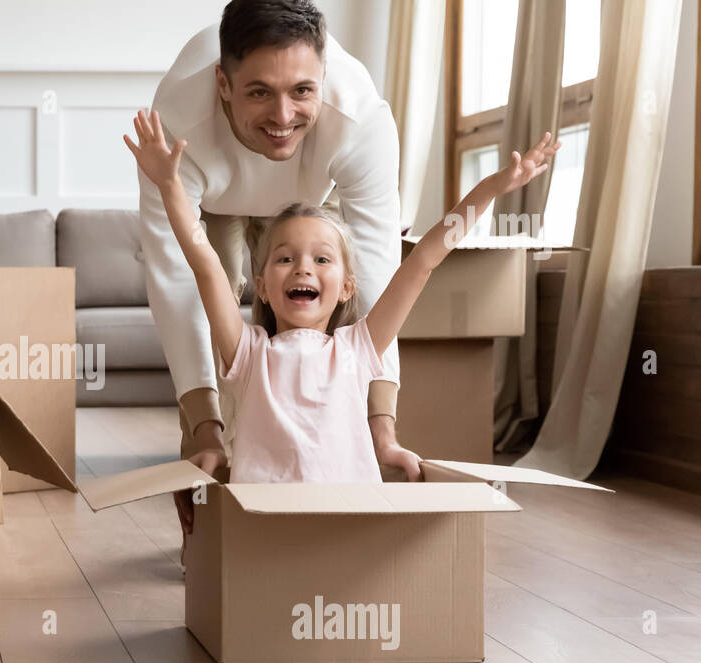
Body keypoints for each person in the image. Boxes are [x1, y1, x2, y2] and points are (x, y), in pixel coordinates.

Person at [129, 105, 559, 516]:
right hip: (262, 526)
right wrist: (170, 185)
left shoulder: (359, 347)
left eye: (321, 259)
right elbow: (206, 265)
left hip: (351, 519)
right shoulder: (248, 351)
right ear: (260, 286)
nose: (303, 267)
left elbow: (424, 259)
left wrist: (490, 189)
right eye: (284, 258)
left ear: (346, 288)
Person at [136, 0, 418, 526]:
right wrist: (205, 429)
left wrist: (383, 426)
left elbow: (378, 273)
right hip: (209, 203)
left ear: (325, 79)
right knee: (226, 343)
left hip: (314, 196)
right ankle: (211, 533)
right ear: (223, 83)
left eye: (302, 91)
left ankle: (327, 499)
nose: (284, 117)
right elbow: (181, 278)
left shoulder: (361, 121)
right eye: (260, 92)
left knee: (321, 334)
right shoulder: (175, 123)